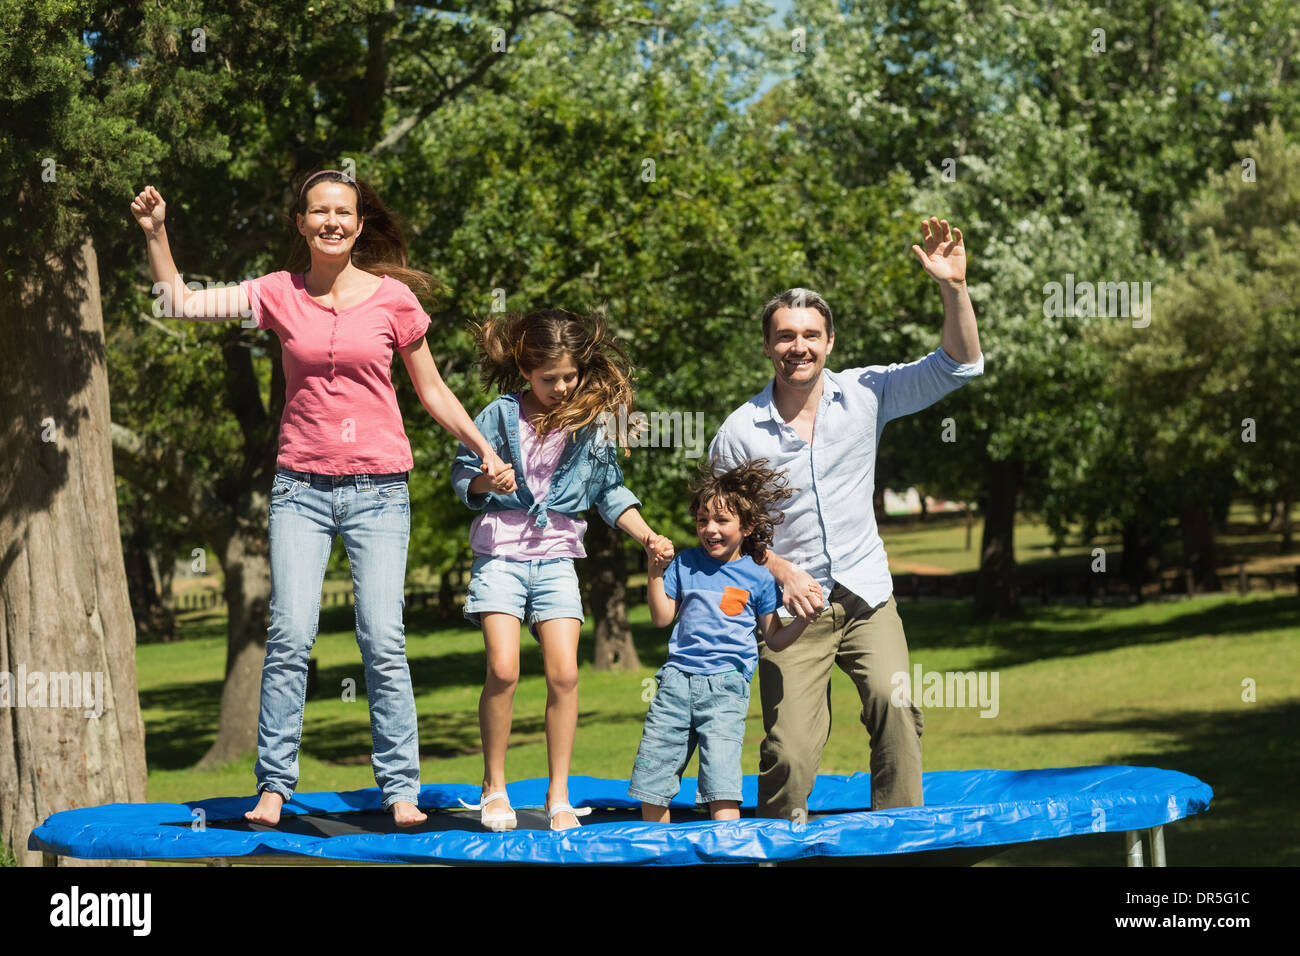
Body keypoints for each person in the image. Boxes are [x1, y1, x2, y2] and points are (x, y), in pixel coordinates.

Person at [130, 171, 511, 827]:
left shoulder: (393, 301)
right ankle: (274, 787)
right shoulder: (279, 294)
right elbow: (182, 302)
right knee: (290, 635)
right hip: (300, 489)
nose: (332, 221)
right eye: (319, 212)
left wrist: (485, 447)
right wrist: (157, 233)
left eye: (344, 212)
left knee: (382, 639)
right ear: (301, 223)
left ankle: (400, 789)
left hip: (379, 490)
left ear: (359, 226)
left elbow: (433, 390)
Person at [708, 217, 984, 820]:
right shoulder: (737, 433)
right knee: (790, 752)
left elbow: (959, 365)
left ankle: (899, 849)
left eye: (810, 334)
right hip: (790, 612)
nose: (798, 346)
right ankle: (775, 856)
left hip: (866, 596)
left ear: (830, 342)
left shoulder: (866, 395)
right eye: (785, 335)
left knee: (896, 707)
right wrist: (780, 570)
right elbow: (724, 538)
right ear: (767, 346)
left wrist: (953, 287)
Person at [451, 308, 673, 831]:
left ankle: (558, 795)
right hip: (501, 556)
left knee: (565, 674)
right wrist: (488, 481)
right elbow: (463, 478)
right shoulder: (498, 417)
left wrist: (647, 536)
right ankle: (494, 786)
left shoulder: (589, 426)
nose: (562, 386)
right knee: (503, 669)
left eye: (570, 376)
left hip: (556, 560)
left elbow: (609, 492)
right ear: (526, 370)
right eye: (549, 378)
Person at [629, 461, 810, 822]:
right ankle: (656, 852)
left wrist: (804, 620)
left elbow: (773, 637)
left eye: (721, 521)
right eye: (702, 521)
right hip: (676, 681)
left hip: (726, 687)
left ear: (747, 527)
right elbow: (662, 617)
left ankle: (727, 851)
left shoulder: (758, 576)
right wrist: (654, 569)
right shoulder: (685, 564)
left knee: (721, 780)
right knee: (655, 775)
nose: (709, 529)